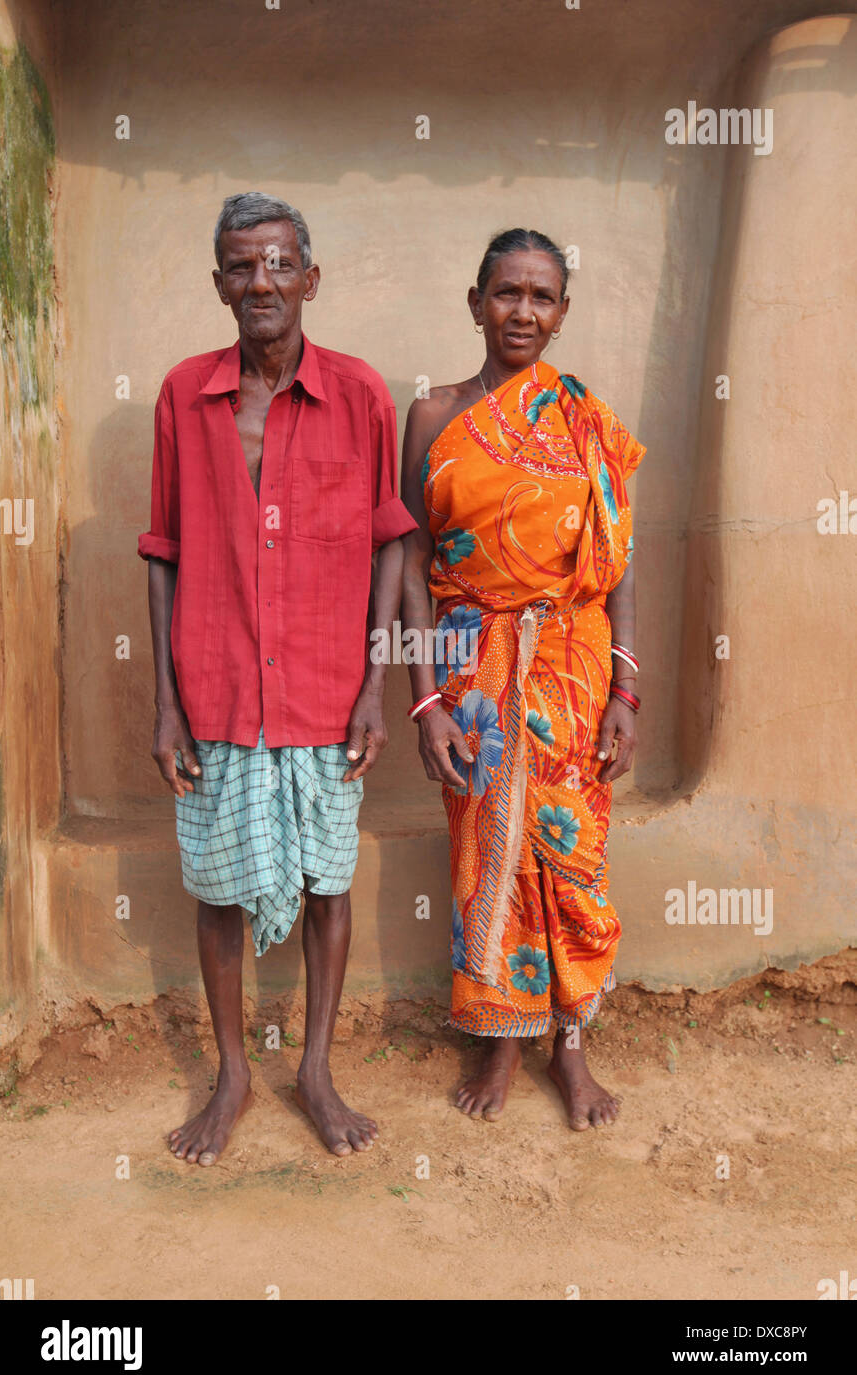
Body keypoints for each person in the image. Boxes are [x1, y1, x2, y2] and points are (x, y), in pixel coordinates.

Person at [138, 192, 416, 1163]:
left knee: (327, 881)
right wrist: (168, 701)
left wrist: (375, 684)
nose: (260, 281)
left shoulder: (361, 395)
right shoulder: (184, 394)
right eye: (240, 266)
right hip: (217, 684)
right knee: (216, 886)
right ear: (220, 283)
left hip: (324, 687)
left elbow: (388, 540)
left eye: (277, 263)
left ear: (309, 276)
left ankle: (316, 1072)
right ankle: (231, 1076)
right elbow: (164, 550)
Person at [400, 228, 645, 1129]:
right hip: (472, 676)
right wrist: (425, 700)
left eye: (542, 297)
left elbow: (619, 568)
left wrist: (625, 688)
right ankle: (501, 1041)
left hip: (574, 671)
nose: (523, 312)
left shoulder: (589, 424)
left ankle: (571, 1047)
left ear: (562, 315)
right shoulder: (432, 415)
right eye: (508, 293)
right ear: (476, 303)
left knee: (574, 856)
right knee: (483, 856)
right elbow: (412, 560)